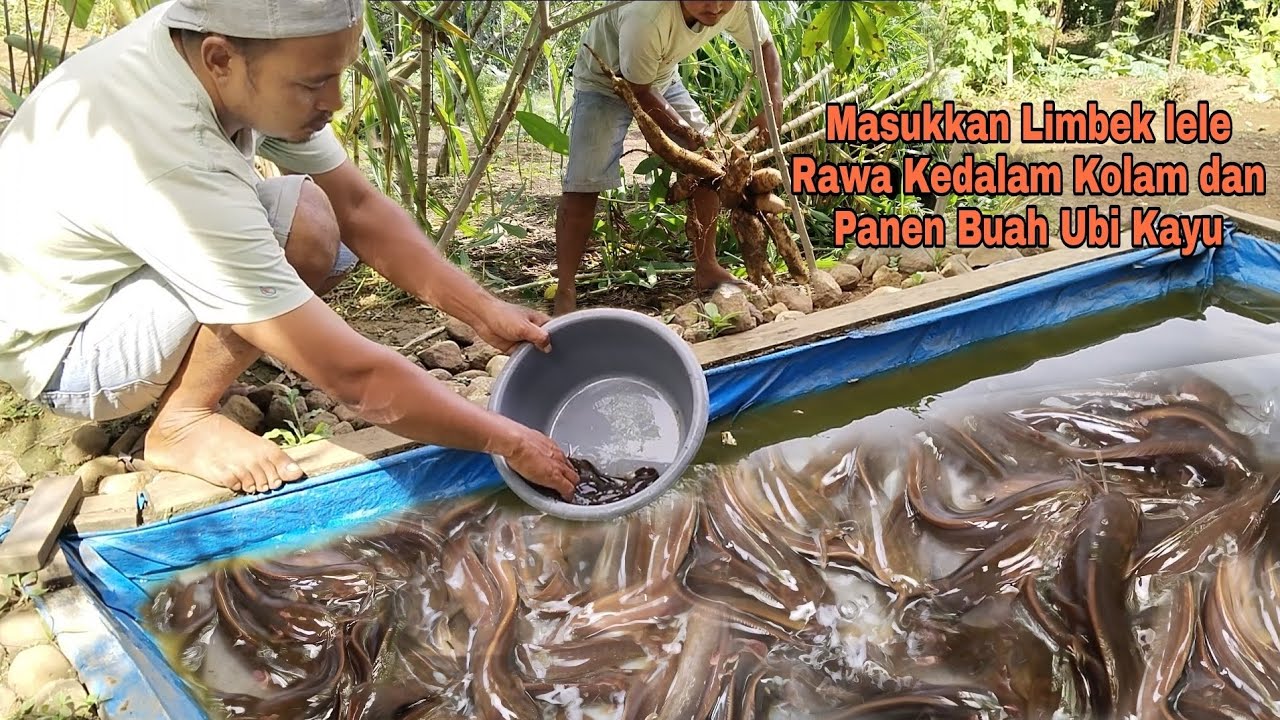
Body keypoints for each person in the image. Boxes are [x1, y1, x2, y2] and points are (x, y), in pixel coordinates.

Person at [0, 0, 581, 499]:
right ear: (221, 59)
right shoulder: (173, 149)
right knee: (299, 229)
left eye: (338, 74)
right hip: (66, 352)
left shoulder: (216, 46)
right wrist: (506, 437)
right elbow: (354, 380)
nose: (333, 100)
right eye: (311, 84)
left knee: (316, 221)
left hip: (106, 282)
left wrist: (483, 310)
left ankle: (193, 380)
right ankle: (181, 422)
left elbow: (357, 207)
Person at [552, 0, 784, 316]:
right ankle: (565, 288)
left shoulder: (738, 5)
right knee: (584, 184)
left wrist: (774, 104)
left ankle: (707, 267)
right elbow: (638, 89)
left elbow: (766, 46)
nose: (715, 7)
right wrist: (685, 132)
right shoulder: (647, 12)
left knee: (710, 168)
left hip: (660, 79)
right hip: (604, 84)